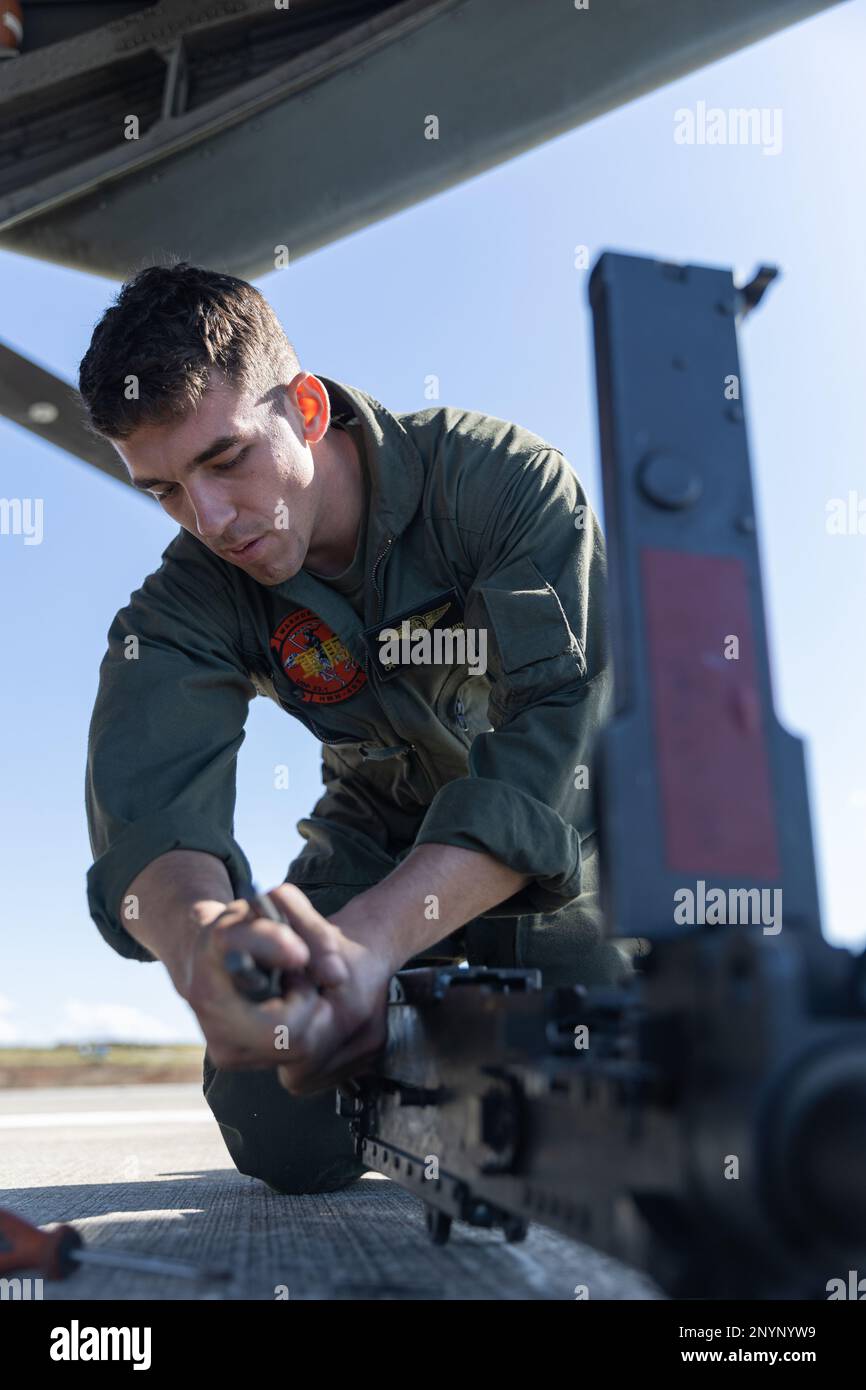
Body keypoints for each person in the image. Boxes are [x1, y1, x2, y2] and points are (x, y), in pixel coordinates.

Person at [79, 261, 634, 1195]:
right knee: (278, 1117)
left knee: (620, 1115)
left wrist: (371, 945)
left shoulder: (502, 487)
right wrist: (208, 946)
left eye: (225, 460)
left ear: (303, 406)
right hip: (375, 835)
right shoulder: (185, 601)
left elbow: (558, 748)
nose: (210, 520)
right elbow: (151, 812)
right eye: (166, 490)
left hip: (563, 856)